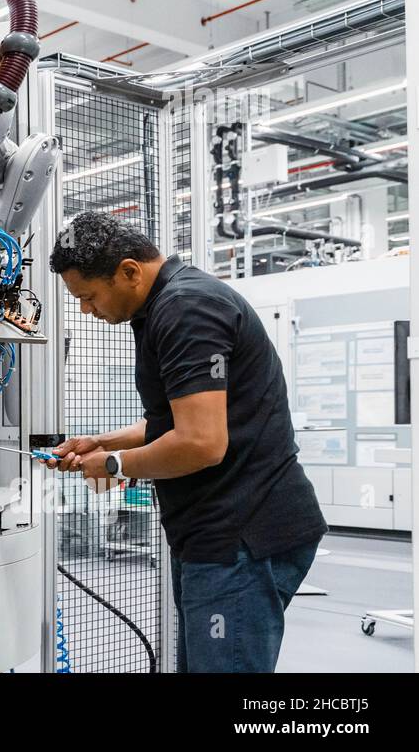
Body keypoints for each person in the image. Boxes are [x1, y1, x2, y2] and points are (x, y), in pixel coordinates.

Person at [47, 211, 327, 673]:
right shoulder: (166, 305)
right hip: (218, 534)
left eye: (88, 296)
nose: (85, 310)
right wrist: (100, 441)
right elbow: (173, 421)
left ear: (130, 272)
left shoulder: (186, 308)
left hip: (241, 535)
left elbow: (201, 443)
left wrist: (113, 465)